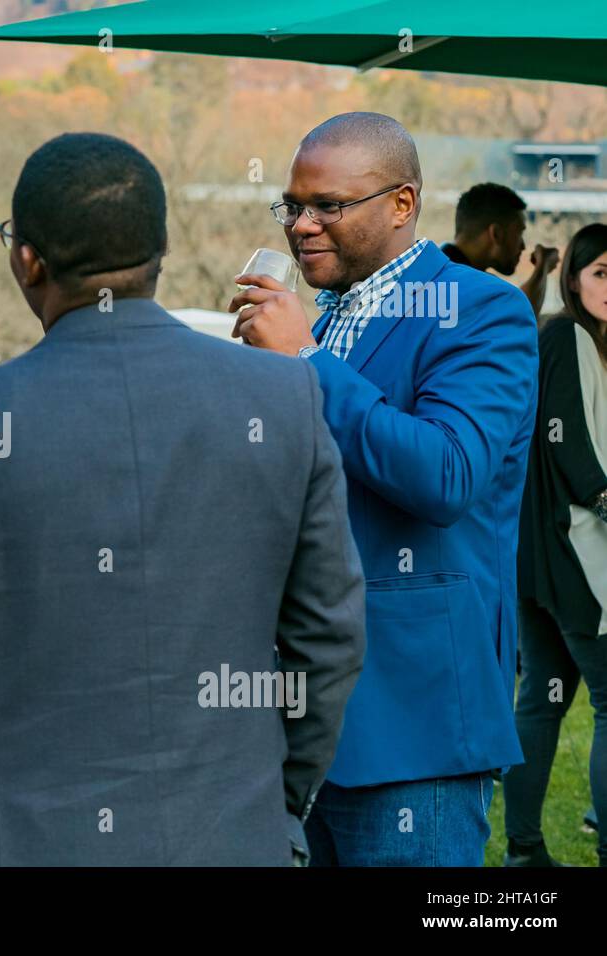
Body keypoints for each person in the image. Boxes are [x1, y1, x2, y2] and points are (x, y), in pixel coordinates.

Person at [0, 132, 366, 866]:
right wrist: (274, 799)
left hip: (20, 839)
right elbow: (330, 642)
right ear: (157, 253)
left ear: (26, 259)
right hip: (228, 831)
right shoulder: (286, 398)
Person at [231, 112, 538, 866]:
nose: (303, 225)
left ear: (401, 205)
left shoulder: (481, 308)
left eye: (328, 206)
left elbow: (446, 473)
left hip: (413, 714)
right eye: (292, 205)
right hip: (286, 715)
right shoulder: (322, 319)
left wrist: (305, 361)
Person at [507, 222, 607, 868]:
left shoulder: (585, 342)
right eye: (601, 274)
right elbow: (566, 442)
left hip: (538, 560)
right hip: (574, 553)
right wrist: (603, 495)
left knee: (542, 700)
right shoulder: (565, 335)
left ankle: (523, 852)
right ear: (573, 277)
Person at [440, 182, 559, 318]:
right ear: (496, 234)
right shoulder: (459, 284)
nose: (523, 246)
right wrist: (542, 267)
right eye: (519, 234)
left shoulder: (435, 271)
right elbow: (519, 316)